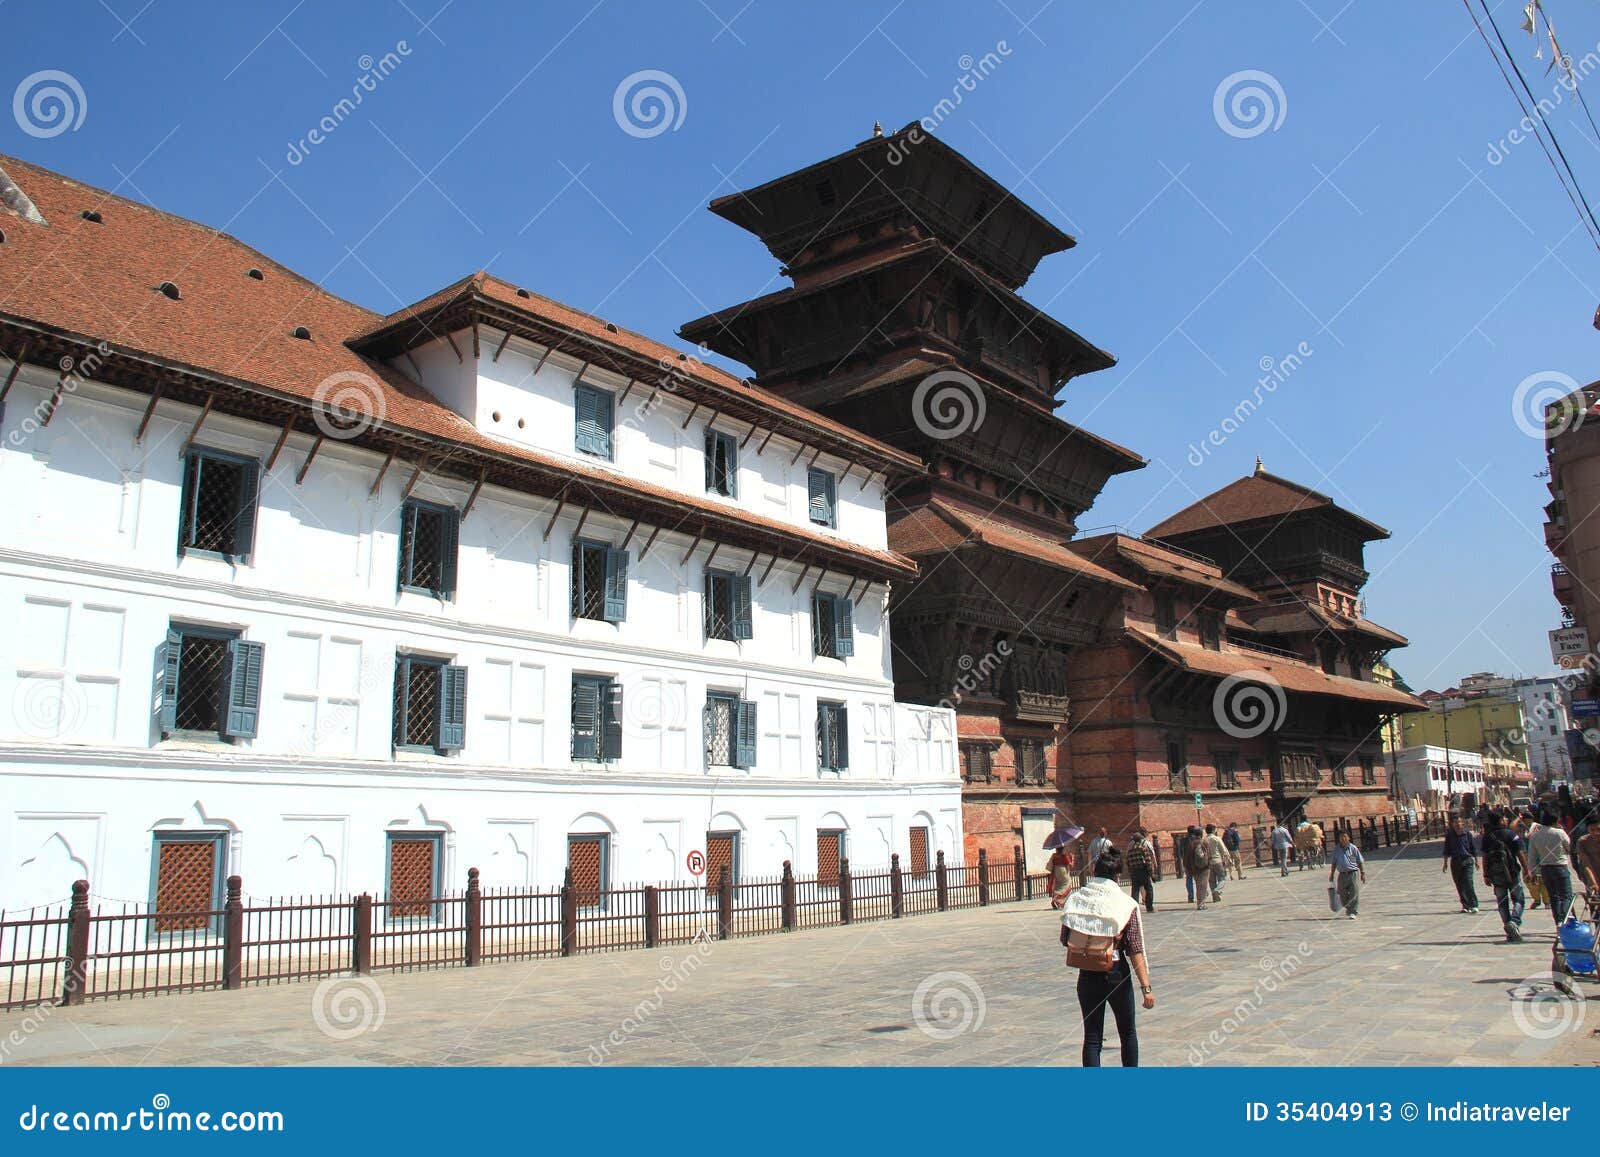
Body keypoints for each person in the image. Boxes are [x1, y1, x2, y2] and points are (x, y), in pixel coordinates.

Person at [1060, 850, 1154, 1067]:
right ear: (1118, 875)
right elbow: (1135, 948)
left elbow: (1065, 939)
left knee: (1092, 1037)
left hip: (1087, 973)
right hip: (1116, 972)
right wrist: (1146, 987)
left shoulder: (1076, 899)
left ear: (1094, 871)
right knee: (1127, 1032)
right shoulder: (1125, 903)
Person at [1482, 809, 1532, 944]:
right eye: (1504, 818)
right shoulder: (1510, 834)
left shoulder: (1487, 836)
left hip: (1496, 875)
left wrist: (1485, 874)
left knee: (1502, 902)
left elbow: (1485, 857)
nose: (1506, 820)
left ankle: (1509, 930)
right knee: (1519, 899)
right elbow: (1520, 853)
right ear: (1499, 820)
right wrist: (1527, 869)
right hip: (1512, 872)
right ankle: (1514, 922)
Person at [1529, 807, 1575, 926]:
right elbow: (1569, 847)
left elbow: (1532, 856)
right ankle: (1564, 917)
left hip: (1545, 868)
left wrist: (1533, 872)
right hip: (1560, 867)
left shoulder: (1535, 836)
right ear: (1555, 821)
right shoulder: (1559, 833)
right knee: (1566, 896)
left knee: (1554, 897)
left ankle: (1558, 921)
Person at [1442, 815, 1480, 914]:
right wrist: (1445, 863)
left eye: (1459, 822)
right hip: (1455, 862)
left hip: (1467, 861)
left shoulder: (1467, 834)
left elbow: (1473, 848)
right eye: (1455, 822)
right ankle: (1465, 905)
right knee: (1459, 884)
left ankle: (1474, 904)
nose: (1458, 824)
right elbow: (1446, 849)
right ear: (1452, 824)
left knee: (1468, 882)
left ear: (1462, 823)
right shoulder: (1450, 835)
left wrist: (1476, 861)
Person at [1328, 828, 1366, 919]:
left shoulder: (1353, 848)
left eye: (1345, 836)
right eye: (1341, 837)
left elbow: (1360, 861)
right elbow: (1334, 863)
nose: (1343, 839)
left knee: (1354, 893)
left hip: (1353, 874)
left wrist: (1362, 873)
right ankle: (1349, 908)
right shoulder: (1336, 849)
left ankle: (1353, 911)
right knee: (1342, 894)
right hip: (1342, 875)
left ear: (1348, 837)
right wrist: (1332, 874)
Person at [1124, 829, 1157, 913]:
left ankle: (1134, 909)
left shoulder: (1130, 850)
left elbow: (1127, 861)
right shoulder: (1143, 848)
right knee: (1148, 888)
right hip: (1143, 871)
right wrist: (1151, 873)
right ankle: (1149, 907)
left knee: (1135, 891)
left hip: (1134, 872)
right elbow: (1148, 861)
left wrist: (1130, 871)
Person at [1186, 825, 1213, 909]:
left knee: (1198, 886)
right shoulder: (1205, 842)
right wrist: (1209, 864)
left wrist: (1190, 868)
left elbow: (1188, 857)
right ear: (1201, 834)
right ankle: (1201, 904)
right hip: (1205, 868)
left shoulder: (1192, 844)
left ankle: (1200, 903)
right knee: (1203, 885)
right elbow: (1210, 855)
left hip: (1195, 868)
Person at [1202, 824, 1229, 903]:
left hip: (1208, 862)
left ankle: (1215, 897)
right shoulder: (1217, 838)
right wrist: (1227, 859)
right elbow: (1223, 850)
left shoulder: (1203, 840)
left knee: (1212, 881)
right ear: (1213, 830)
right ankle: (1218, 890)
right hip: (1217, 861)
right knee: (1222, 878)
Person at [1047, 843, 1075, 910]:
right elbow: (1070, 865)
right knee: (1066, 885)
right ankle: (1057, 901)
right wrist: (1072, 858)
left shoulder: (1054, 856)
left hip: (1056, 872)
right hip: (1063, 871)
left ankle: (1056, 900)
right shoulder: (1064, 856)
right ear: (1062, 849)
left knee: (1058, 886)